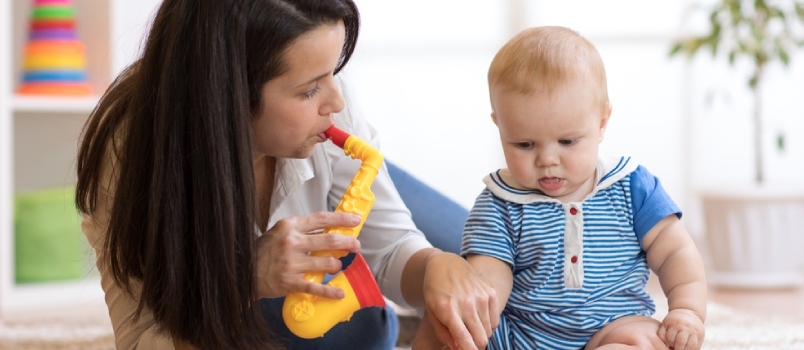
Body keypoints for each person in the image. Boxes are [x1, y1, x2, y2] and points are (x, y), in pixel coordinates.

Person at [74, 1, 493, 349]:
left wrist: (435, 266)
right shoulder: (130, 152)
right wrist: (240, 283)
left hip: (328, 164)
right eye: (310, 89)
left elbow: (395, 244)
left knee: (491, 258)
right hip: (249, 292)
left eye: (335, 73)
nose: (337, 100)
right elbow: (140, 337)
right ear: (229, 95)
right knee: (349, 329)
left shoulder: (330, 110)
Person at [413, 26, 707, 350]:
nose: (547, 159)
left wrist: (686, 311)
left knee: (646, 339)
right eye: (524, 144)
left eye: (567, 141)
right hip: (519, 333)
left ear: (601, 123)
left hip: (614, 327)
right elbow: (488, 276)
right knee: (444, 319)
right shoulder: (500, 202)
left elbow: (675, 252)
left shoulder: (632, 186)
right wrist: (473, 317)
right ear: (500, 125)